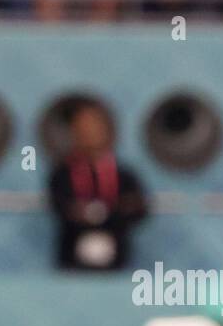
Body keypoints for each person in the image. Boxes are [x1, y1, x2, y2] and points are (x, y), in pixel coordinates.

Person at [48, 101, 149, 271]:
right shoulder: (62, 175)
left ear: (107, 131)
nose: (89, 133)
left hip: (117, 266)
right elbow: (61, 207)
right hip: (72, 267)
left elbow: (138, 209)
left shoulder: (124, 175)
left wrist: (102, 214)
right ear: (74, 132)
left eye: (94, 126)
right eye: (83, 127)